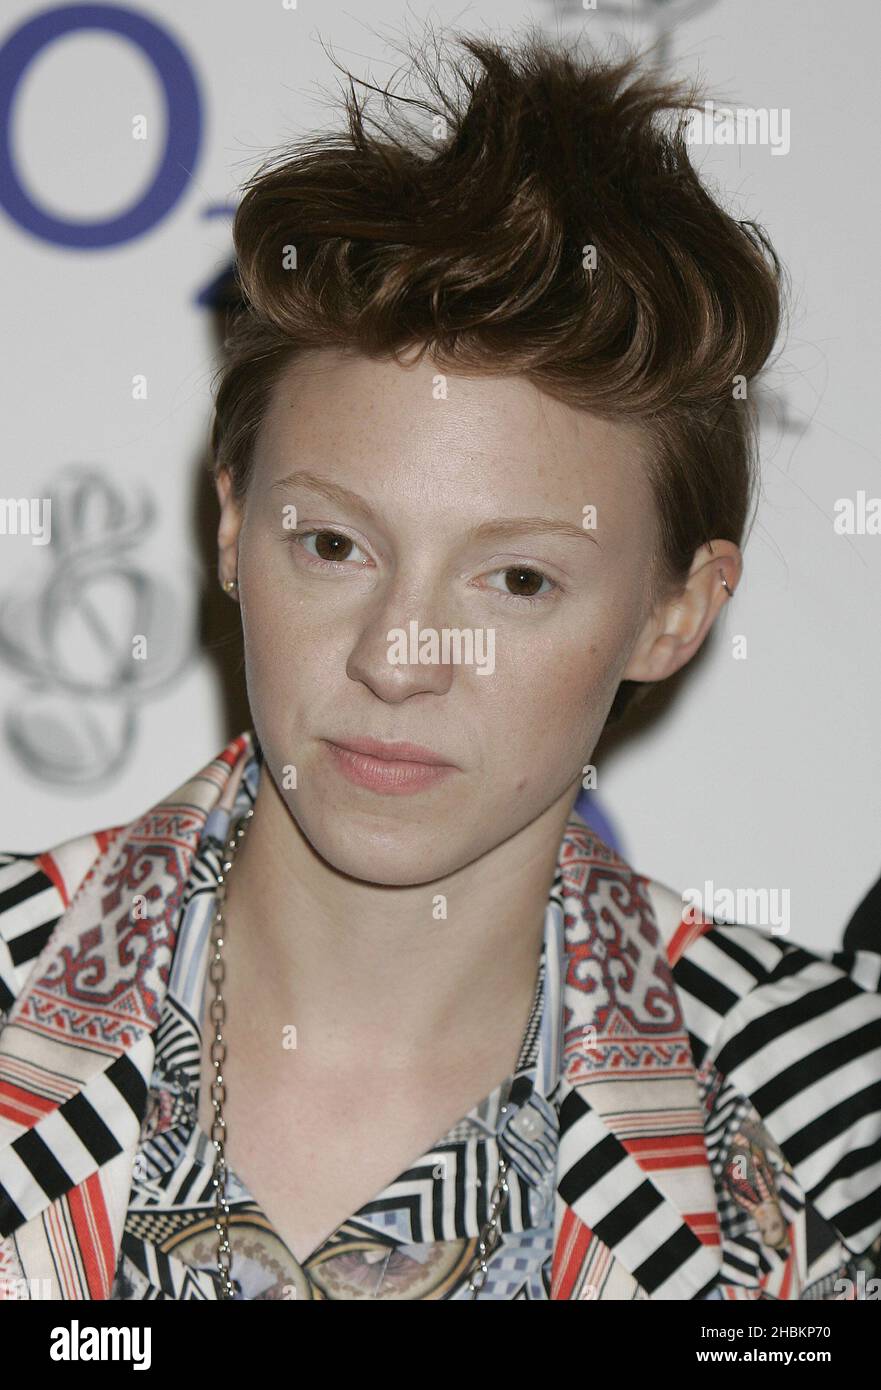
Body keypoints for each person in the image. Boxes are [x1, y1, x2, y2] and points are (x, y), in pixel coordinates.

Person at [0, 27, 879, 1302]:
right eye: (336, 544)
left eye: (517, 579)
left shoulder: (835, 1124)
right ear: (232, 526)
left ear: (674, 613)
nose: (397, 660)